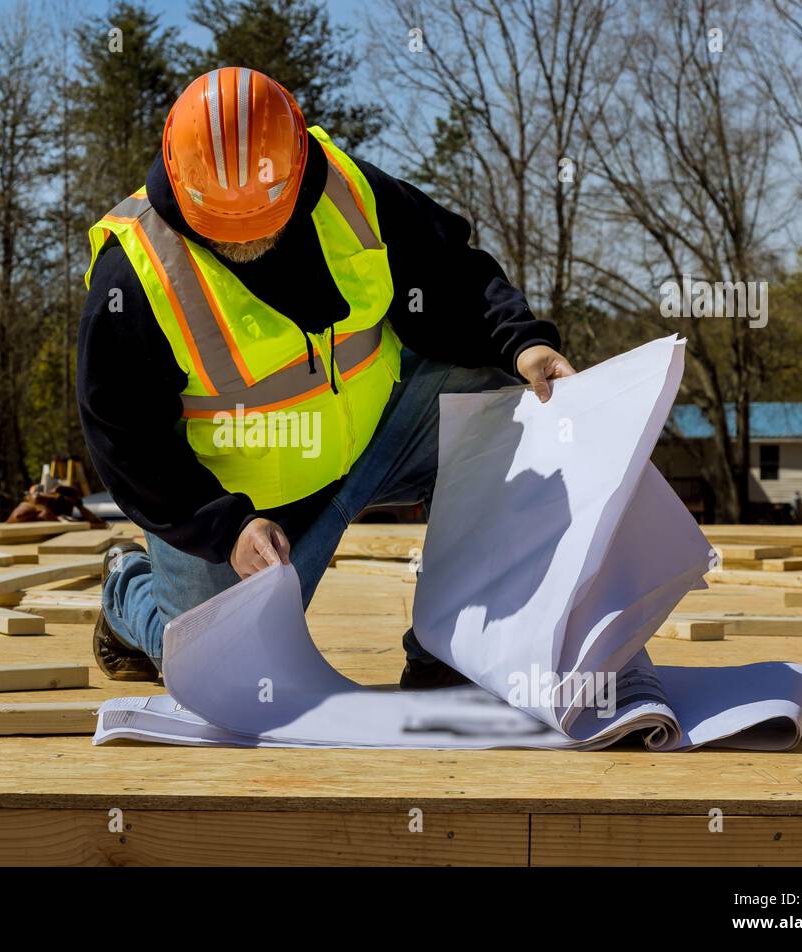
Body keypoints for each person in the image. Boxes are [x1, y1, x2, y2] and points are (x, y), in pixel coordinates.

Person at [77, 67, 575, 688]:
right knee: (221, 677)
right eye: (226, 226)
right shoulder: (135, 275)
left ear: (296, 174)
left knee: (502, 404)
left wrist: (522, 340)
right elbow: (124, 441)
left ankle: (448, 646)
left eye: (262, 217)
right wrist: (223, 526)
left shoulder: (348, 190)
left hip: (376, 440)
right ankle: (132, 595)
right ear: (183, 188)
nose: (248, 239)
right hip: (242, 512)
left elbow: (450, 271)